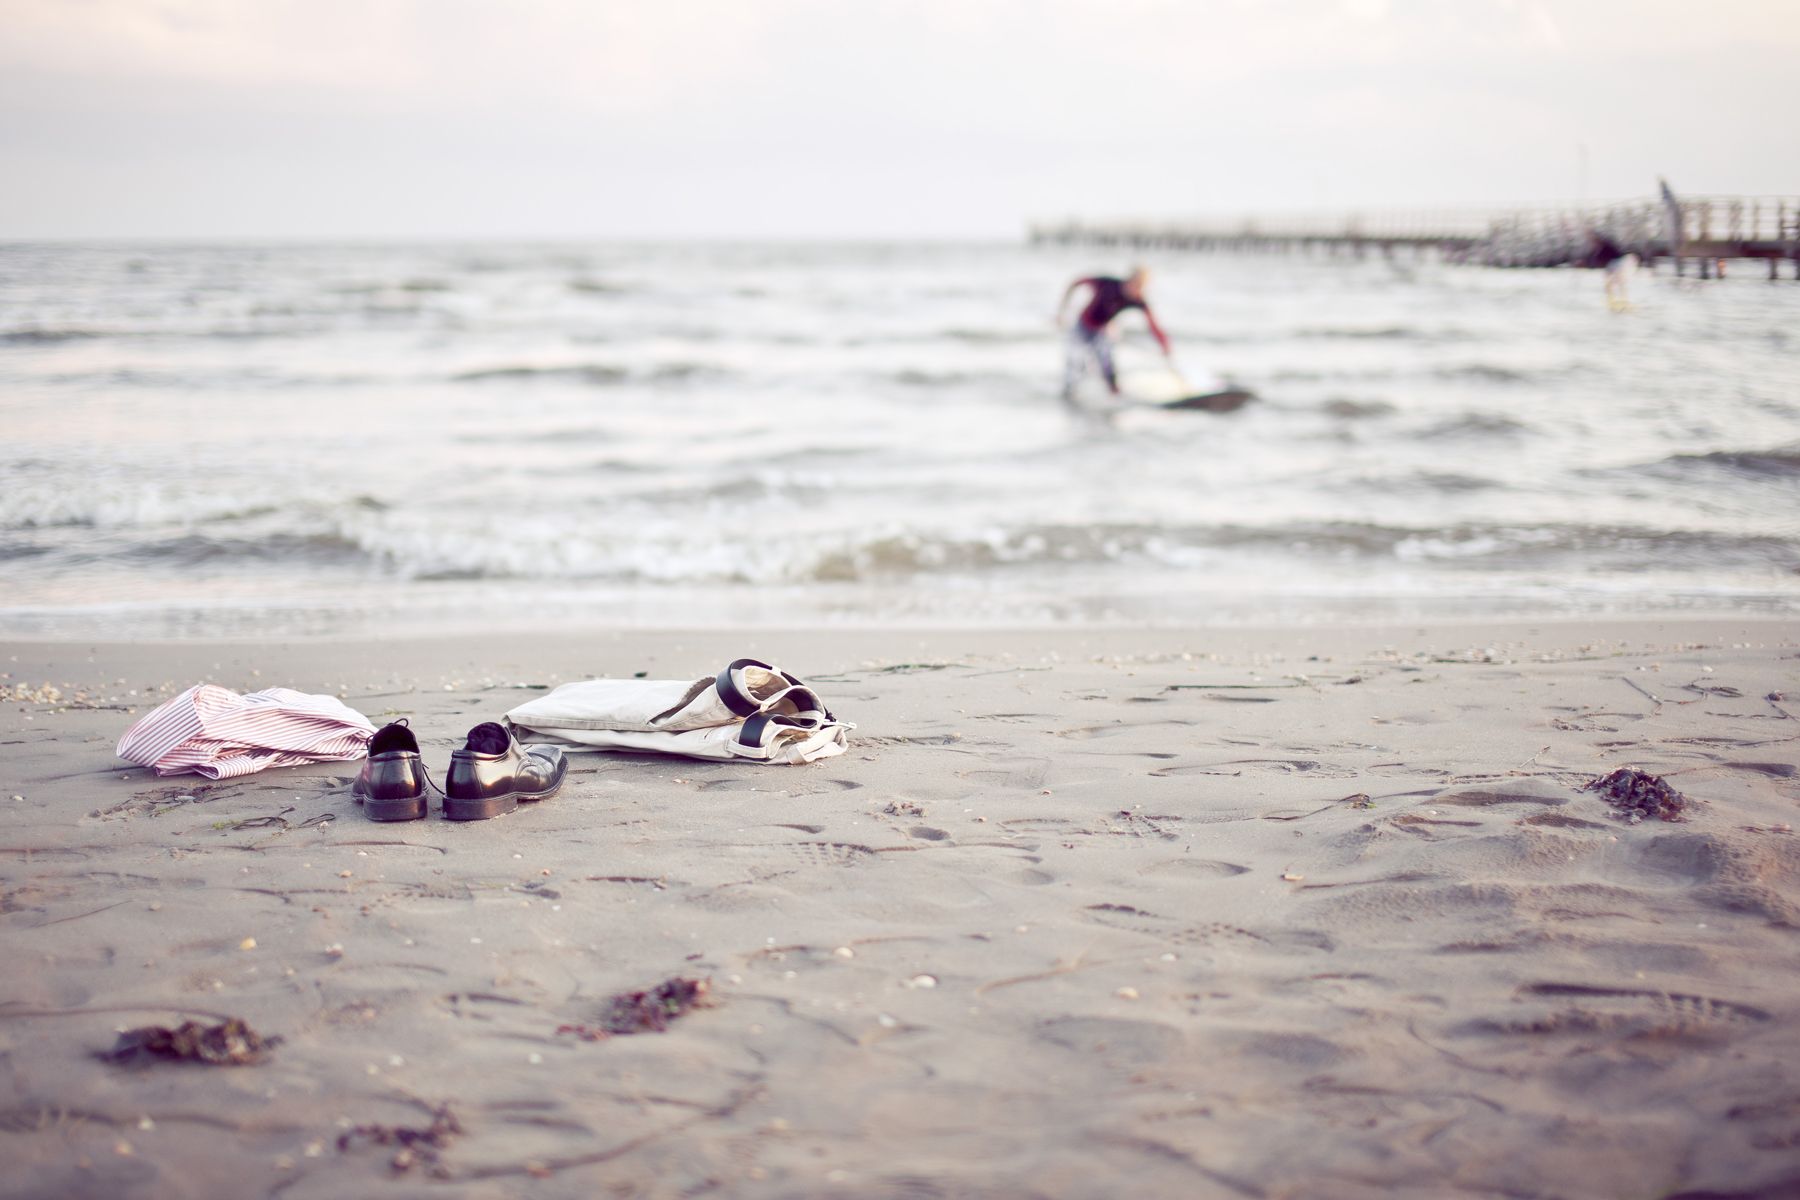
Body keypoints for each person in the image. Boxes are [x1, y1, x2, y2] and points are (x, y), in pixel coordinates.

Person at [1056, 266, 1172, 399]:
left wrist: (1165, 346)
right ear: (1130, 280)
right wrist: (1062, 311)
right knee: (1076, 362)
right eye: (1138, 285)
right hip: (1082, 327)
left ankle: (1114, 396)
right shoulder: (1107, 284)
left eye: (1142, 287)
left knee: (1107, 362)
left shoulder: (1138, 300)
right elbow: (1076, 282)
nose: (1139, 290)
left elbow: (1153, 325)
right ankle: (1069, 395)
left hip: (1101, 332)